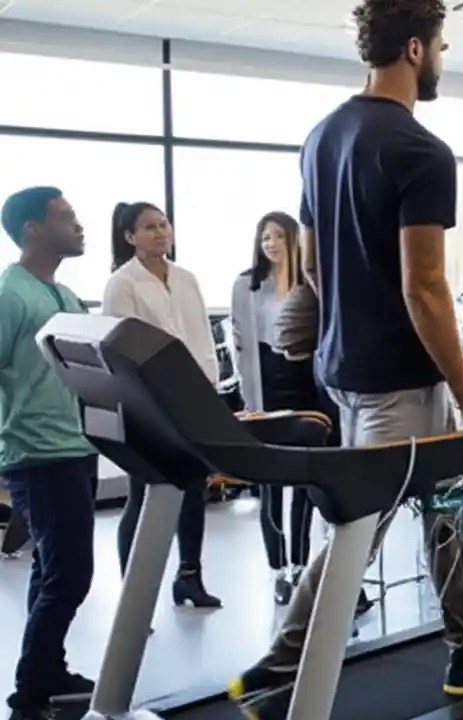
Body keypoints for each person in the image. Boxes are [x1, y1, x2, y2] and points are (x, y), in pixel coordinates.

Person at [228, 2, 463, 714]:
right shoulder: (420, 150)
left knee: (443, 497)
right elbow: (424, 286)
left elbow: (312, 266)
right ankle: (277, 670)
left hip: (351, 368)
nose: (444, 62)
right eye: (443, 48)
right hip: (399, 377)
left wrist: (348, 333)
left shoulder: (322, 136)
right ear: (417, 48)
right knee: (360, 527)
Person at [0, 187, 98, 719]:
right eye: (66, 218)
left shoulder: (64, 296)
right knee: (69, 573)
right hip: (37, 454)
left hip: (75, 446)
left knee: (51, 569)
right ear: (33, 229)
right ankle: (30, 692)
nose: (78, 225)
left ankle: (45, 670)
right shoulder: (11, 294)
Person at [103, 200, 222, 610]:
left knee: (194, 489)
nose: (160, 232)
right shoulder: (122, 283)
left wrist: (211, 388)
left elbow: (203, 337)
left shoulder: (186, 278)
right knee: (145, 493)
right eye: (149, 227)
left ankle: (190, 576)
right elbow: (120, 348)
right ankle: (133, 595)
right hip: (148, 403)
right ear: (130, 236)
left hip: (193, 397)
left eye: (164, 224)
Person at [231, 211, 324, 606]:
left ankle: (301, 564)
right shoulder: (247, 284)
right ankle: (277, 567)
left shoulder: (311, 283)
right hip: (267, 381)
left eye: (278, 236)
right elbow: (241, 345)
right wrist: (250, 401)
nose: (270, 243)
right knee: (271, 480)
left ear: (294, 241)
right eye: (264, 236)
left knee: (305, 477)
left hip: (305, 379)